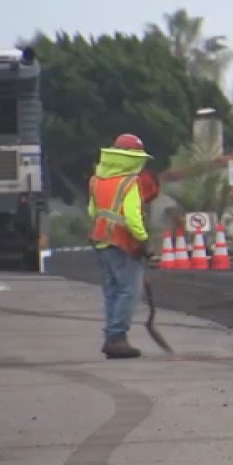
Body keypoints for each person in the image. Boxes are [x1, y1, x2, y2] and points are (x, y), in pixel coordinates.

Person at [87, 133, 154, 360]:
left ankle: (111, 337)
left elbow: (92, 212)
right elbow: (133, 218)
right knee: (129, 291)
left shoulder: (96, 180)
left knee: (112, 291)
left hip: (101, 242)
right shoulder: (129, 182)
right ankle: (117, 338)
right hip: (123, 243)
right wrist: (144, 240)